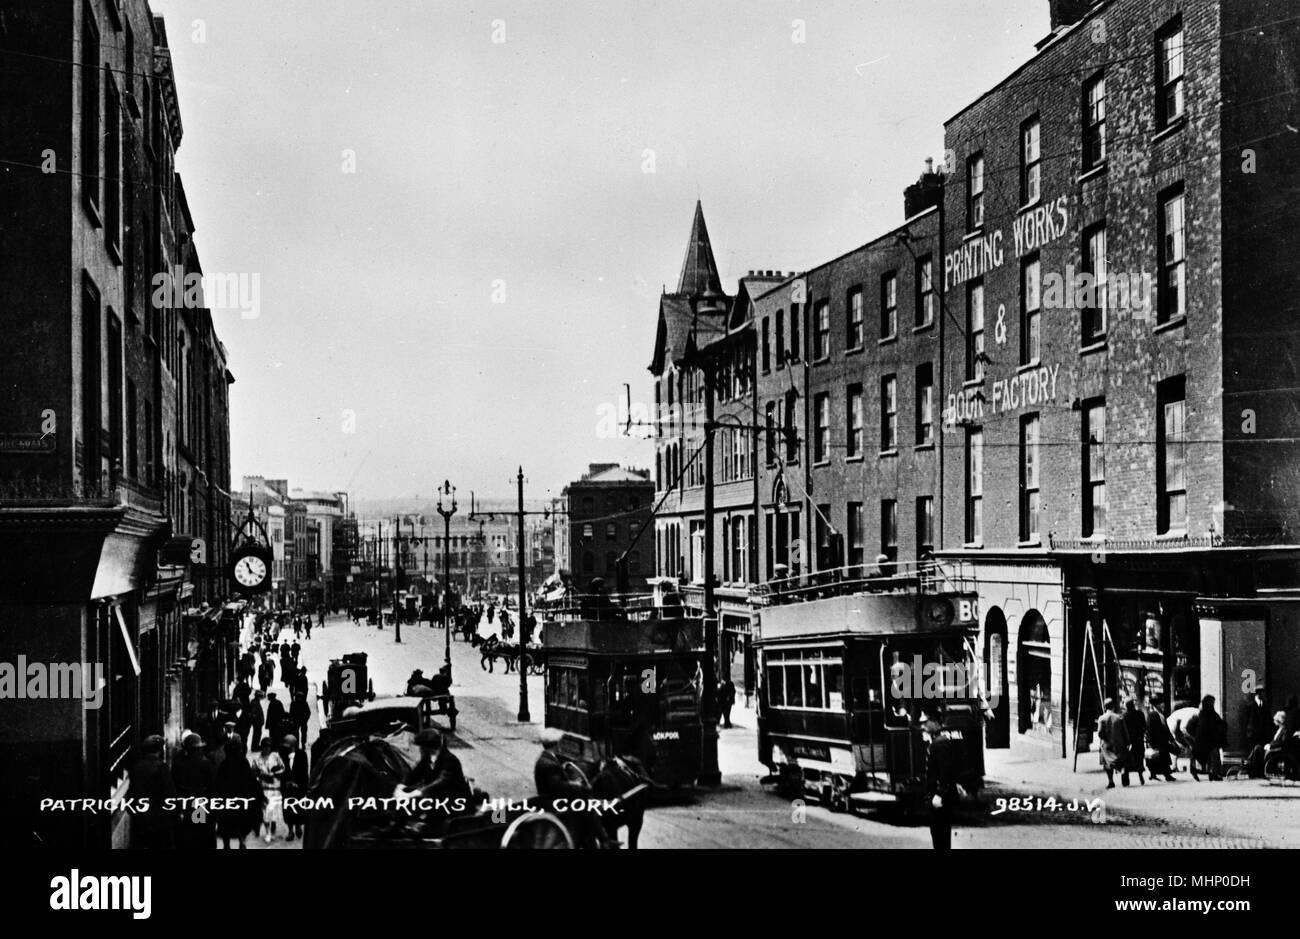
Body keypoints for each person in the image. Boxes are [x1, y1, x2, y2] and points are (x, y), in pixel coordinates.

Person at [533, 727, 614, 849]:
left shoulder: (545, 759)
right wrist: (579, 787)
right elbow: (559, 788)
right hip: (554, 803)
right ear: (556, 744)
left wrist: (572, 784)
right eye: (559, 742)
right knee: (588, 806)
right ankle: (603, 840)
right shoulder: (550, 763)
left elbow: (557, 784)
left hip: (547, 800)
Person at [127, 735, 177, 849]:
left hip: (141, 818)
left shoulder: (136, 768)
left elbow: (132, 793)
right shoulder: (162, 767)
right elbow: (170, 793)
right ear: (159, 750)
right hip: (160, 819)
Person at [212, 738, 262, 849]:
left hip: (227, 802)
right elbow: (251, 782)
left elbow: (218, 784)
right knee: (241, 824)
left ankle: (227, 845)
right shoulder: (243, 762)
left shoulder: (224, 764)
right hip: (240, 801)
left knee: (226, 826)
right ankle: (241, 842)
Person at [172, 733, 216, 850]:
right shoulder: (205, 763)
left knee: (186, 835)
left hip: (185, 804)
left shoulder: (178, 763)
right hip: (200, 804)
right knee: (201, 834)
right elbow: (211, 787)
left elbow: (174, 786)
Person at [923, 718, 960, 850]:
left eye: (924, 730)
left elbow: (945, 771)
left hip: (939, 798)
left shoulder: (939, 744)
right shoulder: (940, 742)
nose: (922, 733)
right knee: (940, 833)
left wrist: (939, 794)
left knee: (940, 834)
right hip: (939, 796)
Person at [1185, 694, 1227, 781]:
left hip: (1201, 741)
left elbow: (1189, 727)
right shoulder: (1212, 715)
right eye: (1212, 703)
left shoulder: (1200, 714)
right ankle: (1214, 773)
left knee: (1207, 756)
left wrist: (1195, 736)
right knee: (1214, 755)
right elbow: (1219, 725)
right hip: (1208, 742)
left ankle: (1202, 771)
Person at [252, 737, 286, 844]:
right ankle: (267, 832)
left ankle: (273, 831)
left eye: (269, 746)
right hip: (264, 788)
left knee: (274, 812)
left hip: (275, 787)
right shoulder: (257, 760)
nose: (267, 749)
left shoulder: (275, 756)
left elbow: (283, 768)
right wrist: (260, 776)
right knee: (265, 812)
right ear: (262, 747)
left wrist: (275, 773)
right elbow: (253, 773)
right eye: (265, 746)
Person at [280, 734, 309, 843]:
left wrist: (301, 785)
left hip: (299, 788)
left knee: (299, 808)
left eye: (288, 746)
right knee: (287, 810)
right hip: (287, 789)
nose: (286, 748)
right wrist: (285, 783)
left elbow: (304, 772)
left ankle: (298, 826)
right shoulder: (282, 755)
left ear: (293, 745)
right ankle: (290, 830)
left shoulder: (302, 755)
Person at [1095, 697, 1130, 788]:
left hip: (1106, 745)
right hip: (1119, 744)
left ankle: (1111, 781)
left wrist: (1104, 740)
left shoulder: (1101, 718)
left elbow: (1100, 733)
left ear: (1105, 707)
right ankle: (1122, 770)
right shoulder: (1119, 718)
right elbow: (1125, 732)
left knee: (1107, 763)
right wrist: (1127, 742)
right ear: (1113, 706)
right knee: (1120, 760)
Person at [1143, 697, 1178, 781]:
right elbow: (1150, 729)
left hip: (1162, 740)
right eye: (1161, 703)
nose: (1163, 705)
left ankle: (1156, 774)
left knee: (1161, 758)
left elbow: (1166, 728)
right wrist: (1151, 741)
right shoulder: (1153, 714)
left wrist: (1171, 739)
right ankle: (1166, 775)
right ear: (1157, 704)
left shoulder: (1159, 714)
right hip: (1157, 740)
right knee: (1160, 758)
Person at [1122, 698, 1146, 786]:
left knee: (1127, 761)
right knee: (1139, 759)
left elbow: (1123, 730)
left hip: (1128, 742)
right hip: (1138, 741)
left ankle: (1126, 780)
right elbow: (1144, 726)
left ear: (1126, 706)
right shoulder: (1140, 714)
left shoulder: (1124, 716)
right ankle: (1140, 776)